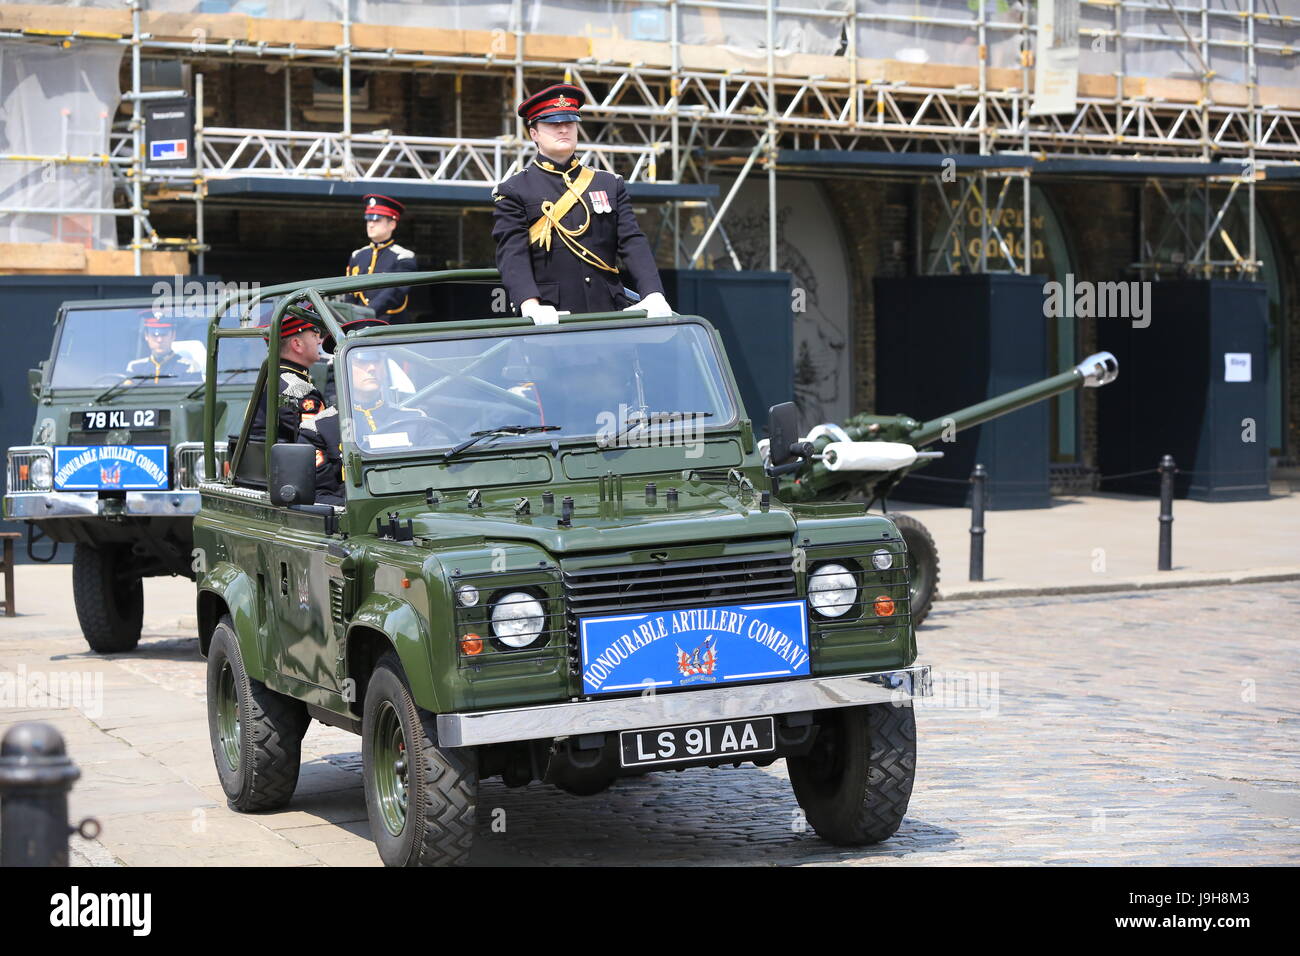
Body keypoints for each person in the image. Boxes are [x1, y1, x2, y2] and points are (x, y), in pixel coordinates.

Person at [491, 83, 673, 324]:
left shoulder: (608, 184)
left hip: (607, 312)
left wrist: (653, 293)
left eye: (569, 123)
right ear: (534, 133)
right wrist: (529, 304)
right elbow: (512, 253)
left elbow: (632, 241)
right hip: (551, 317)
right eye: (553, 124)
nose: (563, 129)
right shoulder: (515, 190)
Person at [248, 305, 329, 445]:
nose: (320, 341)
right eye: (314, 335)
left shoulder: (275, 378)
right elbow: (319, 443)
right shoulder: (297, 389)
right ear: (297, 344)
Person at [345, 194, 417, 322]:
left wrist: (367, 313)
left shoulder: (403, 257)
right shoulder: (358, 255)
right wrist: (349, 319)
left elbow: (395, 292)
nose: (371, 224)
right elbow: (349, 294)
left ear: (392, 224)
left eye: (377, 220)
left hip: (390, 326)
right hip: (359, 325)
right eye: (369, 220)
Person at [127, 311, 202, 384]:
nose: (159, 340)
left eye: (164, 335)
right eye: (154, 335)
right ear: (146, 336)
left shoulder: (189, 367)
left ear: (173, 335)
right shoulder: (135, 368)